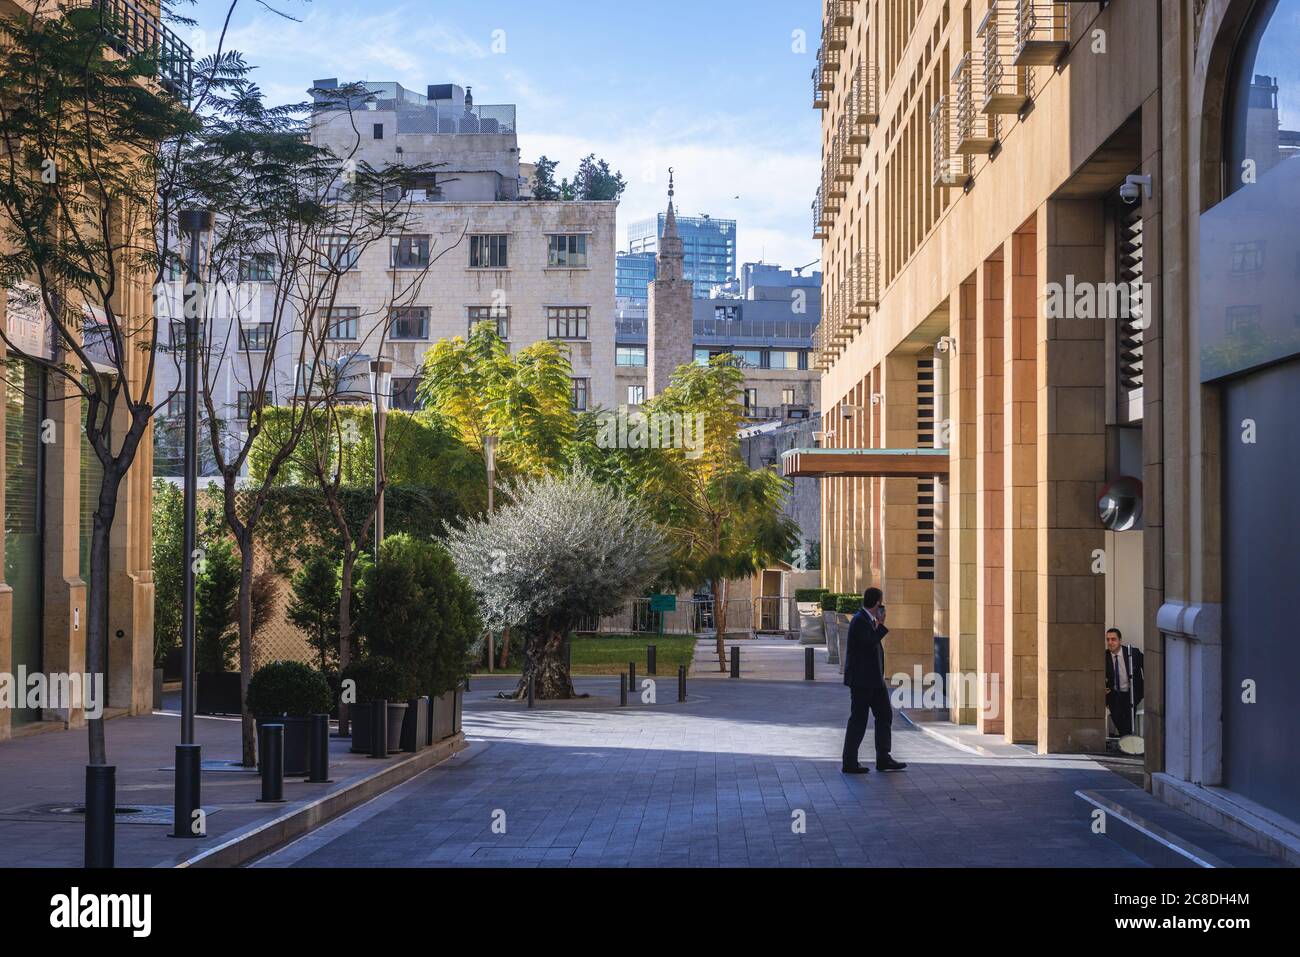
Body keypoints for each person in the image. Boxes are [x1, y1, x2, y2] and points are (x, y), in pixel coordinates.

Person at [842, 587, 907, 773]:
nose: (883, 608)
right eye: (881, 603)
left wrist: (877, 624)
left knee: (885, 715)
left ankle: (883, 757)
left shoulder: (867, 620)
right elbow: (868, 643)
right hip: (862, 682)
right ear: (877, 603)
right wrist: (881, 624)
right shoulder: (859, 621)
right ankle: (849, 761)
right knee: (858, 720)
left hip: (875, 681)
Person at [1104, 627, 1145, 737]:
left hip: (1131, 692)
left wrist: (1146, 686)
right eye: (1107, 640)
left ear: (1120, 640)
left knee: (1129, 715)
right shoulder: (1104, 656)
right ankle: (1127, 739)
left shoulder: (1133, 653)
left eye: (1113, 639)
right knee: (1116, 715)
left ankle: (1126, 739)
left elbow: (1148, 666)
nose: (1110, 642)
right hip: (1114, 693)